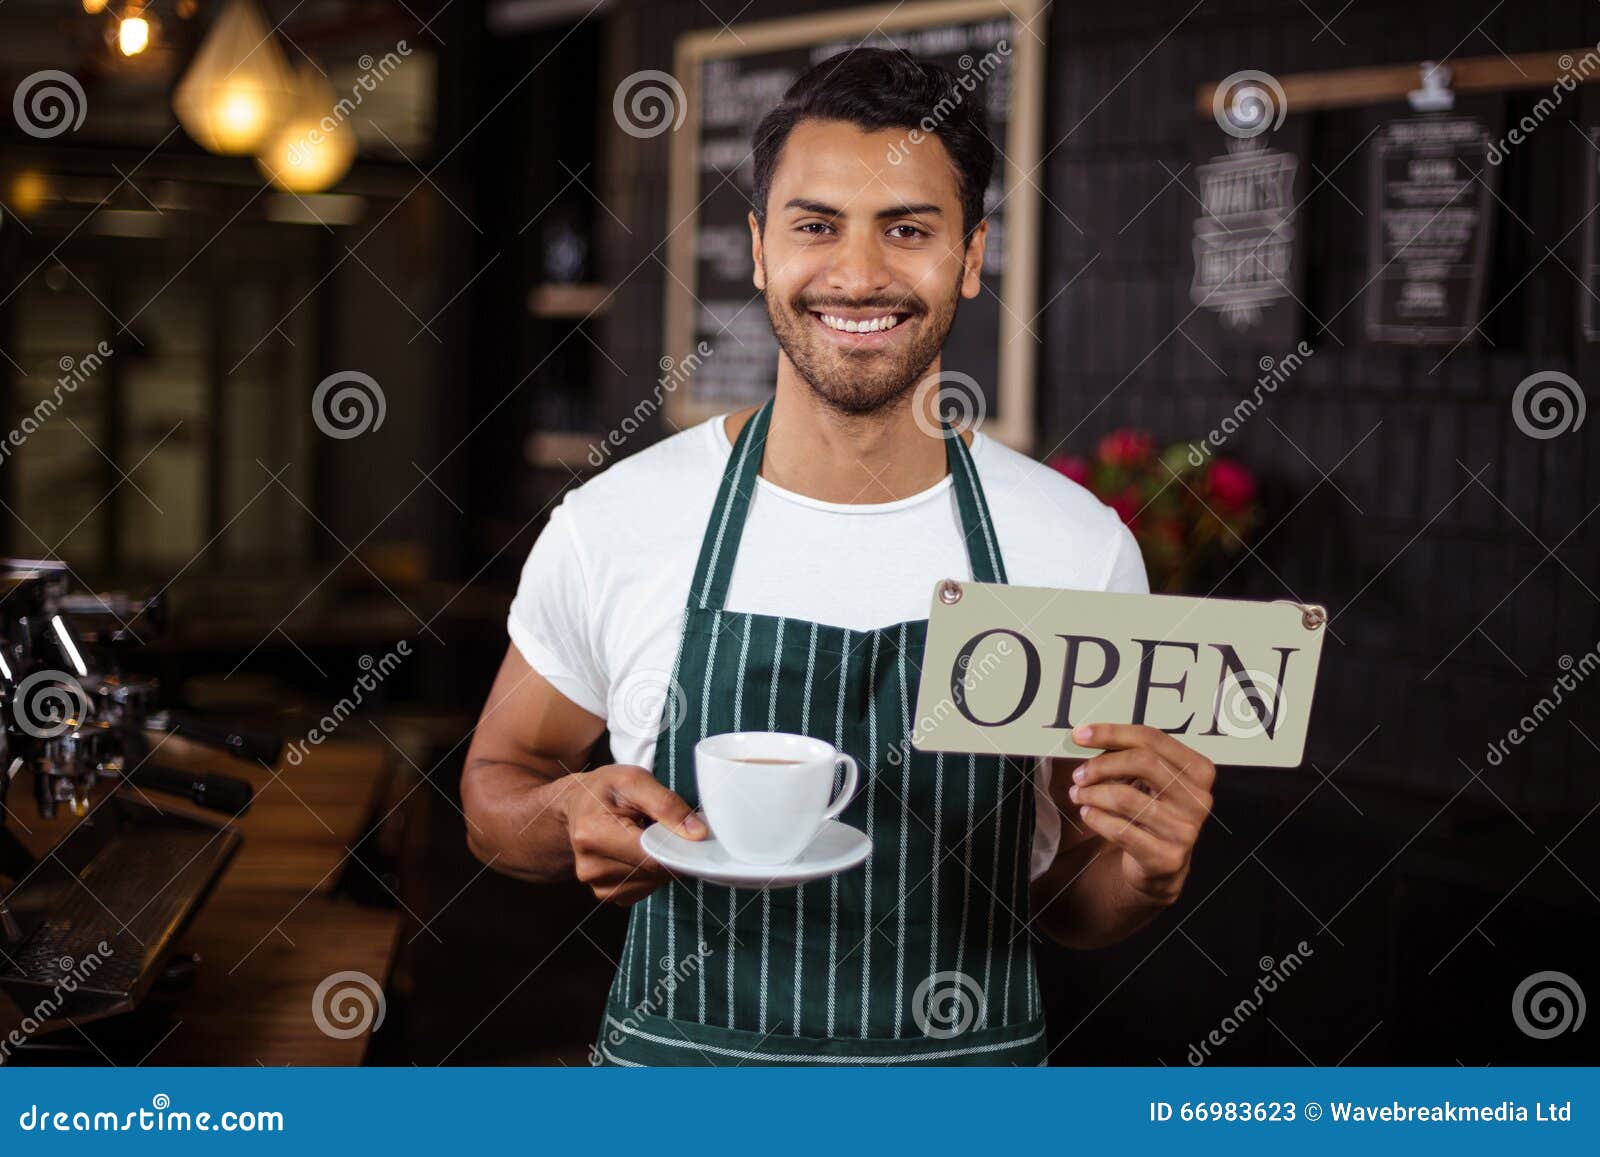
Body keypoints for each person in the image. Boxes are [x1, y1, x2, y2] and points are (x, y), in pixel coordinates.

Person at [462, 47, 1215, 1066]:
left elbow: (1069, 901)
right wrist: (561, 812)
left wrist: (1146, 870)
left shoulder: (1074, 547)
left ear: (971, 254)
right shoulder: (619, 520)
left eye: (908, 229)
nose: (858, 275)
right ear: (762, 249)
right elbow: (495, 787)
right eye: (817, 226)